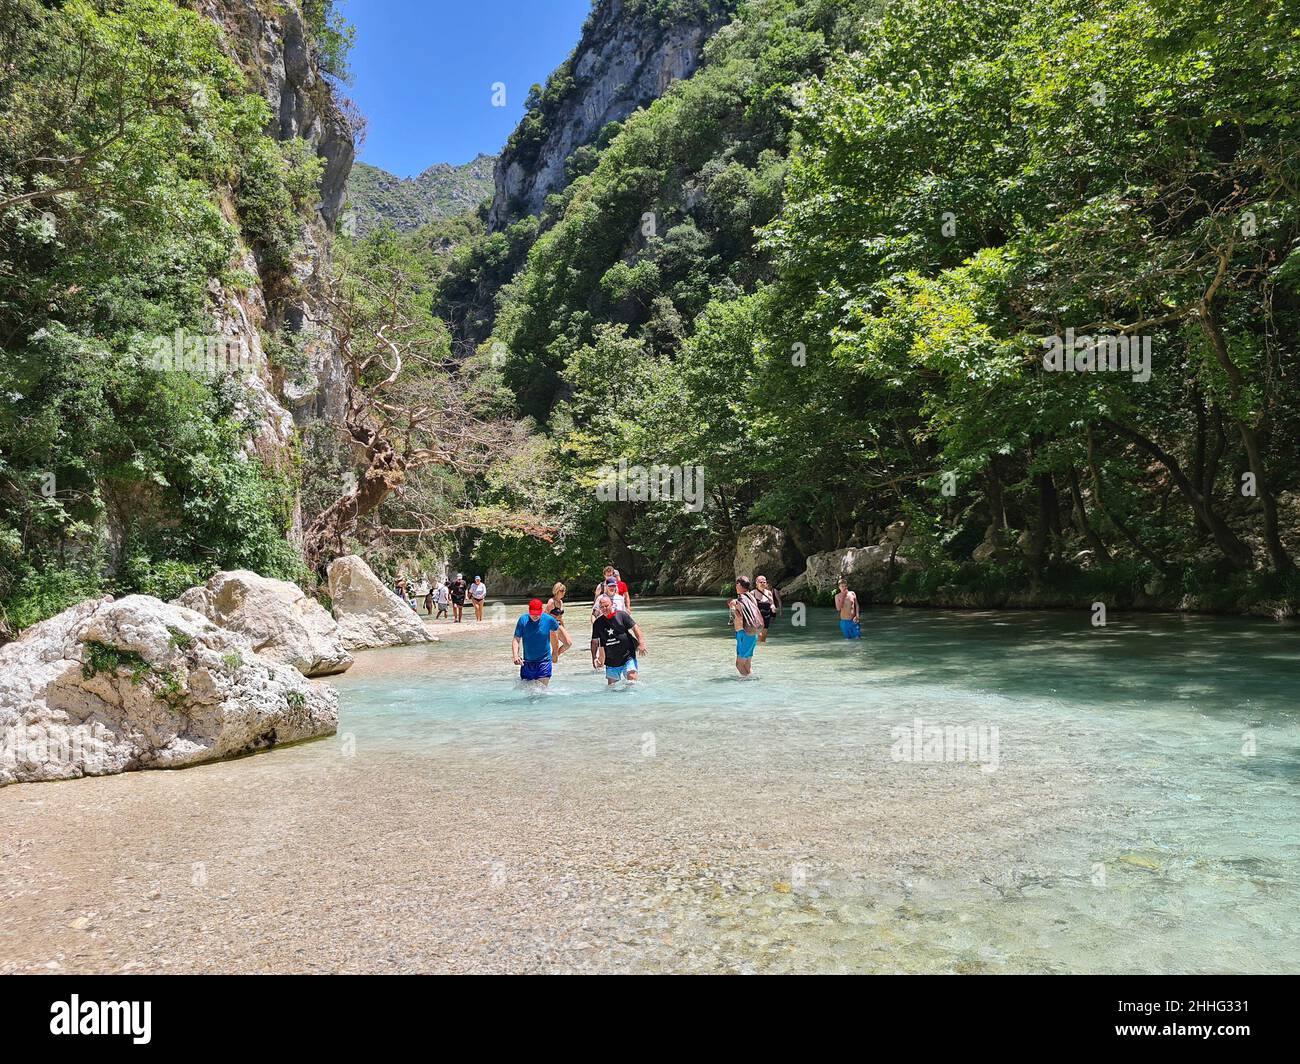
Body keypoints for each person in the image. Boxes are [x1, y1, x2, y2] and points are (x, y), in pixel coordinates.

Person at [512, 598, 571, 686]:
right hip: (527, 663)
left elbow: (557, 637)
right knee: (528, 694)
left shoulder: (549, 620)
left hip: (544, 662)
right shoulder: (523, 620)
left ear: (541, 611)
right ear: (529, 611)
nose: (535, 616)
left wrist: (555, 653)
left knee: (541, 692)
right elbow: (516, 639)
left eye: (538, 614)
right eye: (533, 614)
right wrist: (515, 655)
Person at [590, 594, 646, 685]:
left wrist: (641, 643)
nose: (604, 609)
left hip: (628, 656)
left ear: (612, 604)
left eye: (606, 606)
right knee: (612, 689)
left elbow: (635, 628)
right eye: (601, 607)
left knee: (632, 683)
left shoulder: (622, 615)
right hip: (611, 660)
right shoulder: (597, 623)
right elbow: (594, 642)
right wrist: (594, 658)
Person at [729, 576, 764, 677]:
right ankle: (751, 685)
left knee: (739, 664)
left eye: (737, 584)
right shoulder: (751, 597)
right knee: (747, 664)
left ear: (739, 585)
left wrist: (732, 608)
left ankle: (747, 683)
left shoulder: (739, 601)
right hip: (753, 633)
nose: (736, 586)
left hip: (744, 633)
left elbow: (739, 618)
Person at [753, 574, 781, 643]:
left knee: (764, 637)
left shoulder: (769, 593)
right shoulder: (752, 593)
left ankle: (763, 650)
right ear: (756, 583)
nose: (762, 583)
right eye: (760, 582)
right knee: (759, 635)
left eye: (764, 582)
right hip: (757, 618)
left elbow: (771, 603)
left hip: (766, 617)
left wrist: (773, 608)